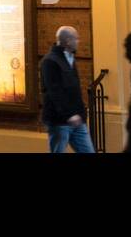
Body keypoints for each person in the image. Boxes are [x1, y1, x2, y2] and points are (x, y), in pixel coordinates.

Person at [40, 25, 95, 153]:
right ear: (68, 41)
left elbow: (74, 89)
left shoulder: (70, 58)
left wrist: (81, 113)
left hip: (77, 120)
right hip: (59, 121)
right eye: (76, 38)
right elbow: (54, 91)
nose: (78, 41)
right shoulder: (50, 61)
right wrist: (68, 114)